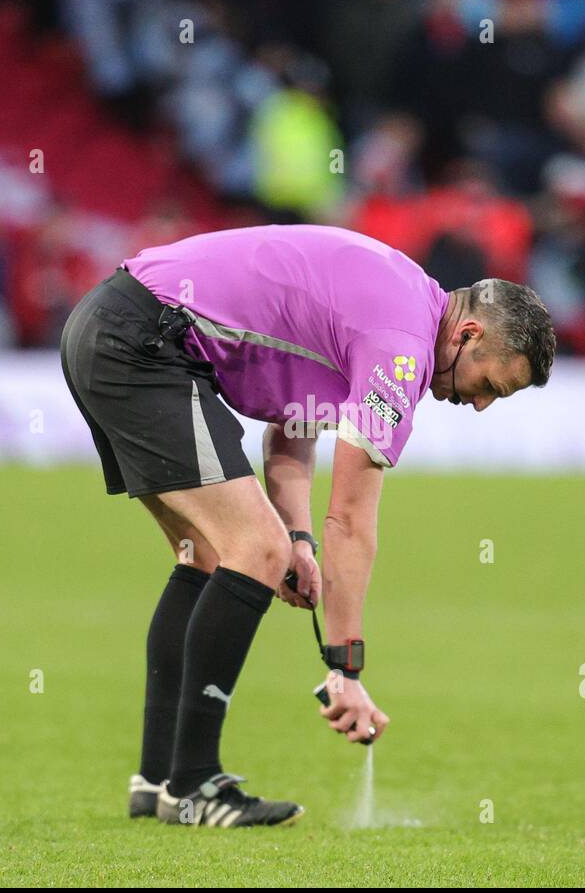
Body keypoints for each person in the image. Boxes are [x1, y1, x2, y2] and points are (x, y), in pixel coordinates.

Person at [60, 223, 556, 827]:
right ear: (470, 334)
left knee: (209, 556)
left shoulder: (403, 299)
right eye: (490, 385)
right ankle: (195, 787)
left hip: (111, 322)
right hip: (144, 344)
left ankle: (161, 777)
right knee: (252, 550)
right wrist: (344, 668)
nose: (478, 404)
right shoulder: (402, 348)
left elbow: (293, 424)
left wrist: (296, 540)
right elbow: (350, 519)